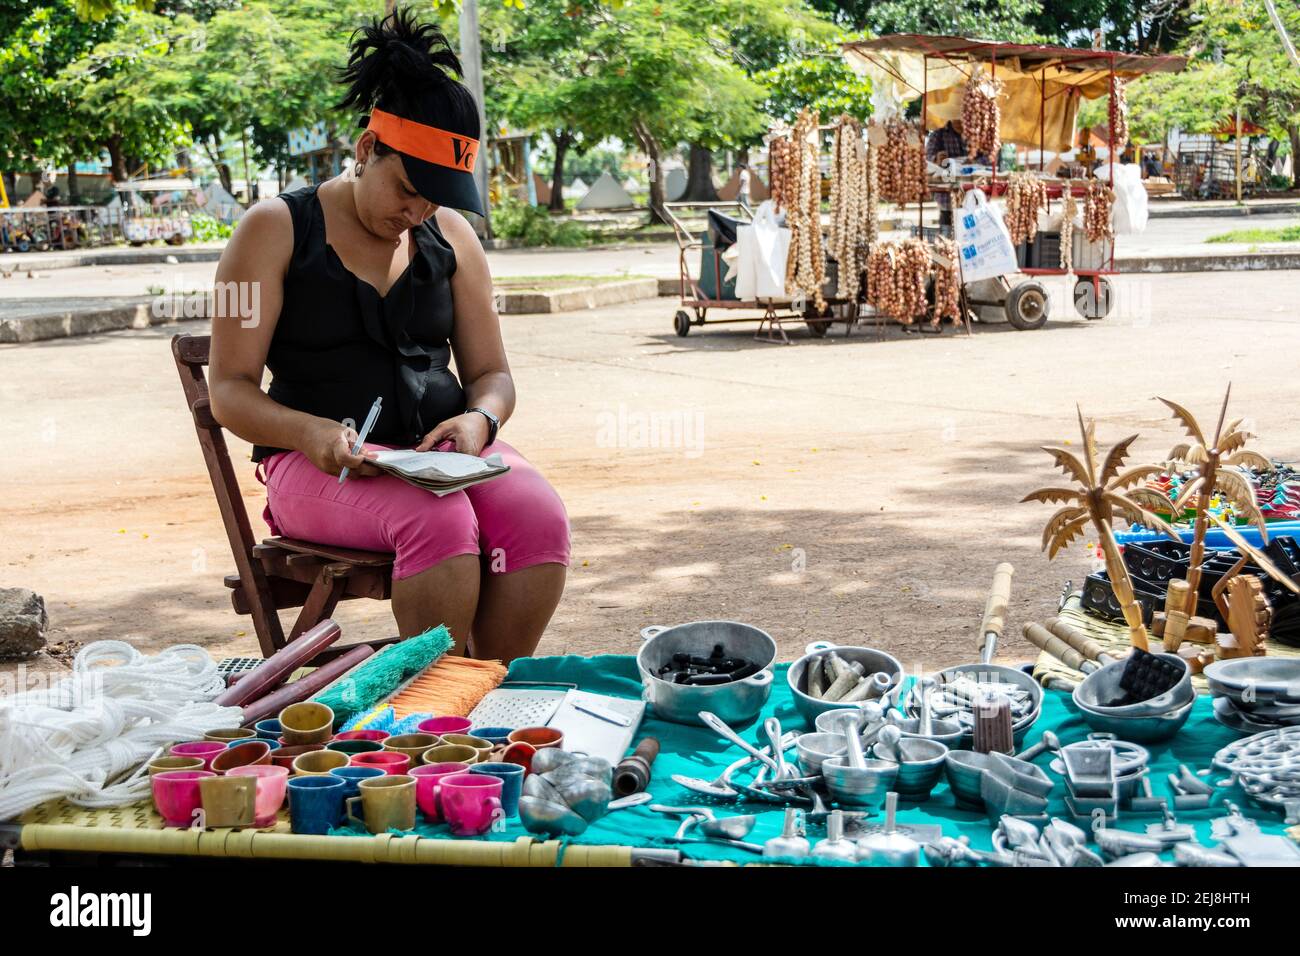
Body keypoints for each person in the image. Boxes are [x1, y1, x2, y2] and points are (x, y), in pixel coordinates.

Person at [208, 9, 570, 662]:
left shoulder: (452, 238)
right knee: (437, 519)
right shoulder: (272, 230)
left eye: (435, 198)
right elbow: (230, 390)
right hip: (315, 469)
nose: (417, 211)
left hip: (440, 458)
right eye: (407, 189)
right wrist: (308, 432)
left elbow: (494, 375)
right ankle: (439, 712)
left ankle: (490, 686)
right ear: (366, 149)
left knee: (537, 512)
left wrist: (479, 423)